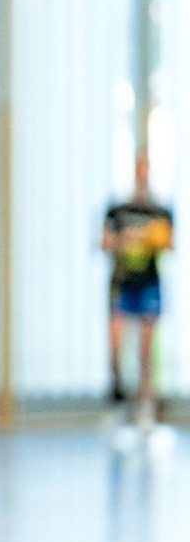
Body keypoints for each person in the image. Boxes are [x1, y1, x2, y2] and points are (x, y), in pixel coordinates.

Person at [102, 156, 174, 431]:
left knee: (146, 349)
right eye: (139, 170)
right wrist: (127, 239)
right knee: (116, 347)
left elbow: (169, 244)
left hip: (148, 285)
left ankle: (146, 406)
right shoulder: (117, 211)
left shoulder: (160, 212)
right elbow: (105, 244)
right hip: (122, 284)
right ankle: (118, 402)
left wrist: (150, 240)